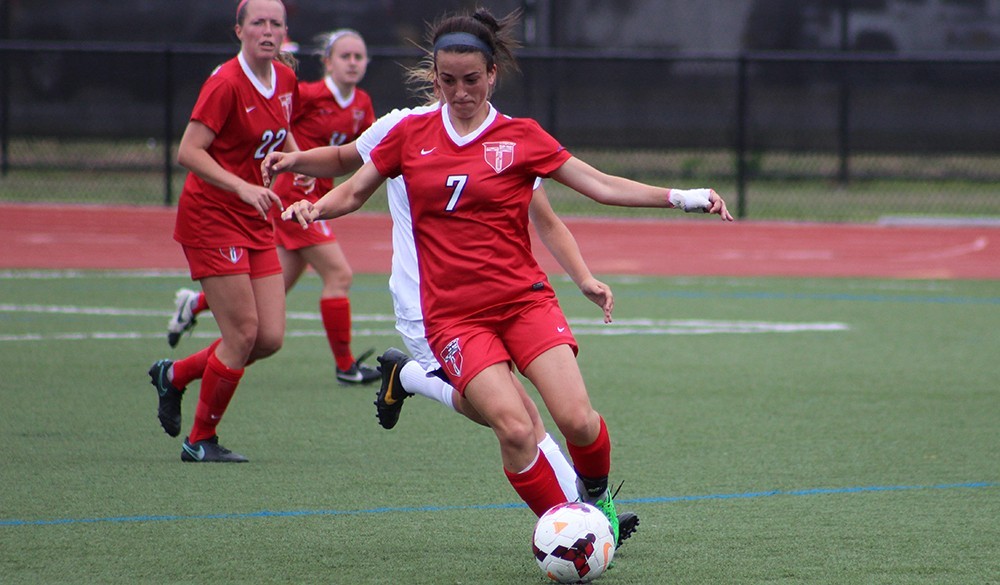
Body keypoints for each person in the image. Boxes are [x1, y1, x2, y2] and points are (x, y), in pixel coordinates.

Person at [280, 7, 732, 543]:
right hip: (454, 318)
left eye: (472, 80)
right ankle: (574, 534)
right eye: (448, 80)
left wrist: (683, 197)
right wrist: (315, 209)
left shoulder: (520, 137)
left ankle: (595, 499)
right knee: (516, 427)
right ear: (435, 75)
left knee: (579, 420)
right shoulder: (408, 133)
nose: (460, 92)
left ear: (492, 74)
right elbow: (353, 189)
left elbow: (599, 185)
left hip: (523, 301)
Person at [167, 28, 380, 386]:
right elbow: (278, 120)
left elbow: (366, 148)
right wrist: (296, 163)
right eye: (345, 56)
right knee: (339, 275)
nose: (353, 63)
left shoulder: (362, 104)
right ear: (327, 62)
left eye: (359, 57)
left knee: (271, 294)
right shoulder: (310, 93)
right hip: (293, 198)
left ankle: (195, 305)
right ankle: (345, 366)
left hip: (318, 196)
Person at [147, 0, 298, 463]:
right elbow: (188, 152)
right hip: (212, 217)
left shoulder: (286, 79)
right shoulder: (226, 83)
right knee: (242, 334)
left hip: (253, 217)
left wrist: (300, 162)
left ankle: (174, 375)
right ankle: (200, 440)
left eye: (275, 23)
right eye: (258, 23)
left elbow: (280, 134)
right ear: (239, 30)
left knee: (269, 337)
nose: (267, 31)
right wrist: (241, 186)